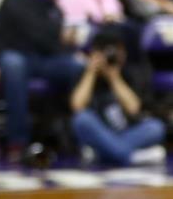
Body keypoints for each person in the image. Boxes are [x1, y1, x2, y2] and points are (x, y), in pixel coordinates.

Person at [0, 0, 85, 164]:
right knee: (15, 65)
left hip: (43, 60)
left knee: (78, 66)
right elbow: (37, 34)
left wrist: (66, 44)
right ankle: (18, 141)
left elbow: (52, 40)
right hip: (14, 55)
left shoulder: (53, 6)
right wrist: (58, 38)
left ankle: (74, 134)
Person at [70, 27, 166, 166]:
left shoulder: (130, 74)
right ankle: (130, 156)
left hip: (127, 133)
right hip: (99, 133)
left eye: (117, 51)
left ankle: (106, 153)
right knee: (82, 119)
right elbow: (77, 106)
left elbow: (134, 108)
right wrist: (91, 72)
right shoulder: (83, 73)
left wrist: (114, 78)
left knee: (155, 127)